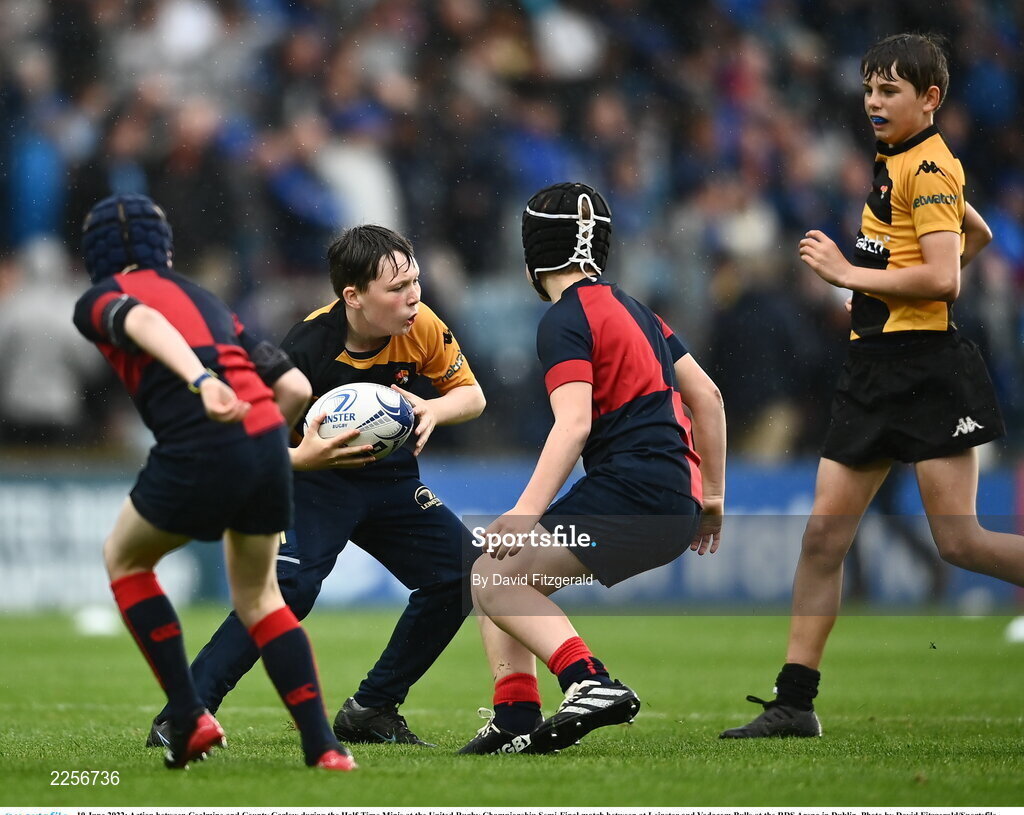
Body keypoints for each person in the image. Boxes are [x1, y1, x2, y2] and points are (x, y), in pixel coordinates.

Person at [720, 33, 1012, 739]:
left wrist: (852, 277)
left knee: (961, 542)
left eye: (890, 91)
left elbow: (945, 275)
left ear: (929, 99)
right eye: (869, 88)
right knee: (825, 538)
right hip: (873, 365)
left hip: (925, 370)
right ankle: (795, 702)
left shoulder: (930, 165)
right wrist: (882, 296)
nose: (874, 102)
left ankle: (795, 701)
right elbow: (975, 233)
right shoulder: (901, 159)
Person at [148, 224, 486, 747]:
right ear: (353, 297)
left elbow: (472, 395)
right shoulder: (304, 352)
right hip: (312, 481)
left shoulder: (421, 325)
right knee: (291, 589)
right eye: (397, 288)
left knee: (462, 572)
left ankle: (372, 709)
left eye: (415, 280)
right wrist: (301, 457)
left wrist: (434, 409)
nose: (414, 295)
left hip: (390, 480)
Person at [73, 194, 355, 771]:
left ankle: (189, 713)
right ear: (164, 247)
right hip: (264, 444)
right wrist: (271, 446)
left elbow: (143, 319)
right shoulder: (203, 298)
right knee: (261, 598)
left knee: (124, 560)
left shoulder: (99, 298)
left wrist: (200, 381)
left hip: (197, 441)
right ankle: (324, 748)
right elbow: (296, 388)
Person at [458, 182, 726, 754]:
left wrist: (526, 512)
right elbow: (708, 397)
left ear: (532, 254)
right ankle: (515, 717)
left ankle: (588, 681)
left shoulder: (564, 320)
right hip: (674, 502)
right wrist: (713, 498)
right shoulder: (640, 312)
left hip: (633, 492)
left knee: (492, 574)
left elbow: (573, 424)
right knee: (498, 571)